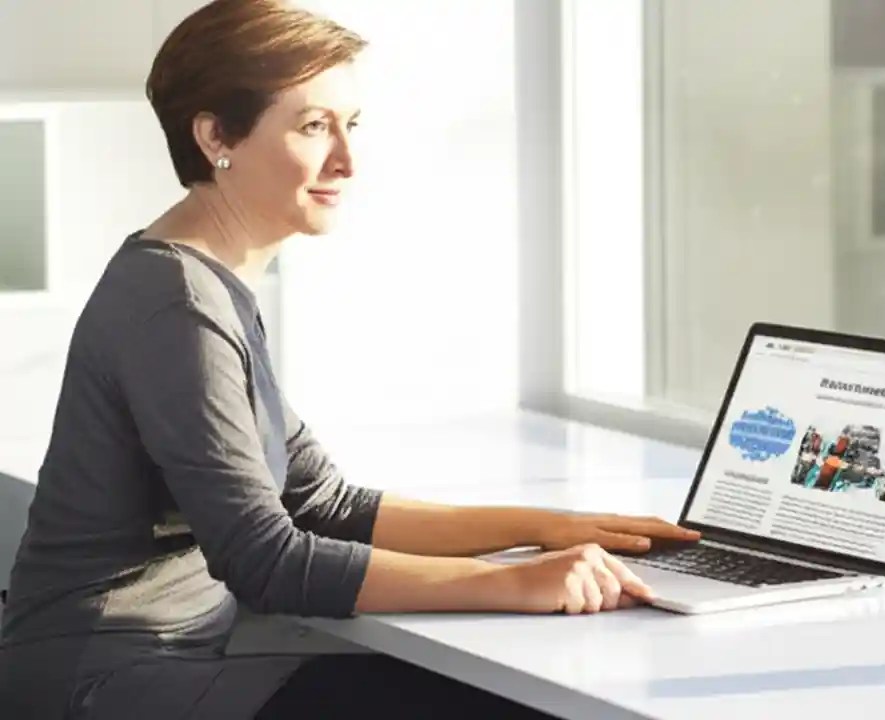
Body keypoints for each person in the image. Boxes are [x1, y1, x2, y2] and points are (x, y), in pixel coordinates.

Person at [0, 1, 698, 717]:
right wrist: (518, 583)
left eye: (351, 124)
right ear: (215, 136)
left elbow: (326, 505)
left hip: (162, 665)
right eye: (313, 126)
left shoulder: (206, 284)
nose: (348, 160)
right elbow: (267, 562)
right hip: (100, 684)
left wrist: (545, 527)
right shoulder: (177, 305)